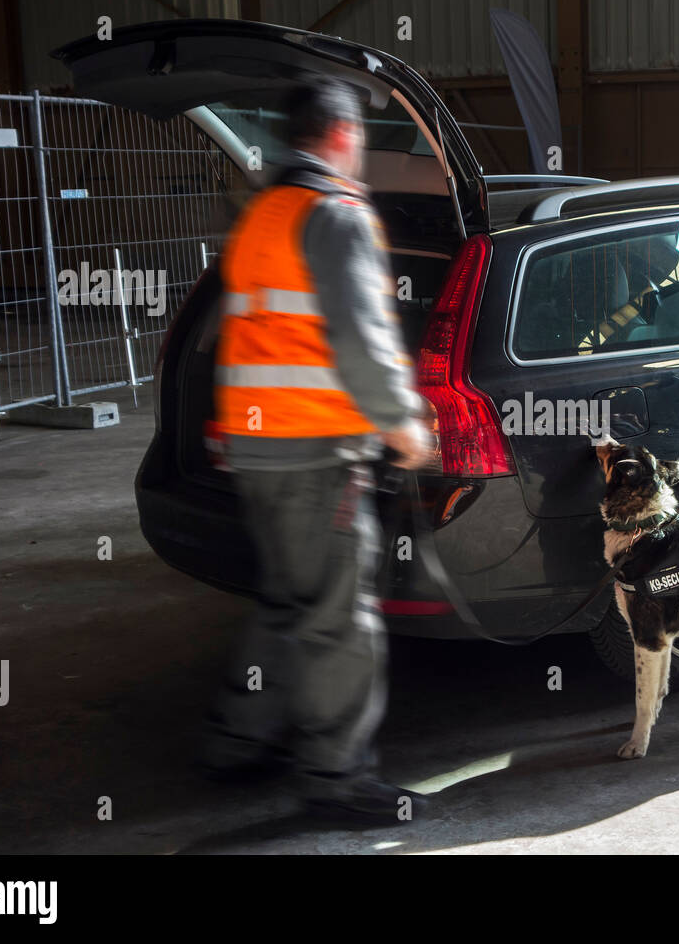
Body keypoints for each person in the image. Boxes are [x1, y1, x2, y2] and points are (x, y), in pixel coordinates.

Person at [199, 76, 432, 824]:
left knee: (285, 599)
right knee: (339, 618)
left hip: (256, 444)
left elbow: (247, 332)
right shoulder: (333, 214)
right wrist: (402, 424)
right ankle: (335, 780)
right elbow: (361, 338)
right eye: (360, 137)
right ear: (339, 135)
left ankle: (238, 737)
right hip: (315, 448)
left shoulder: (262, 213)